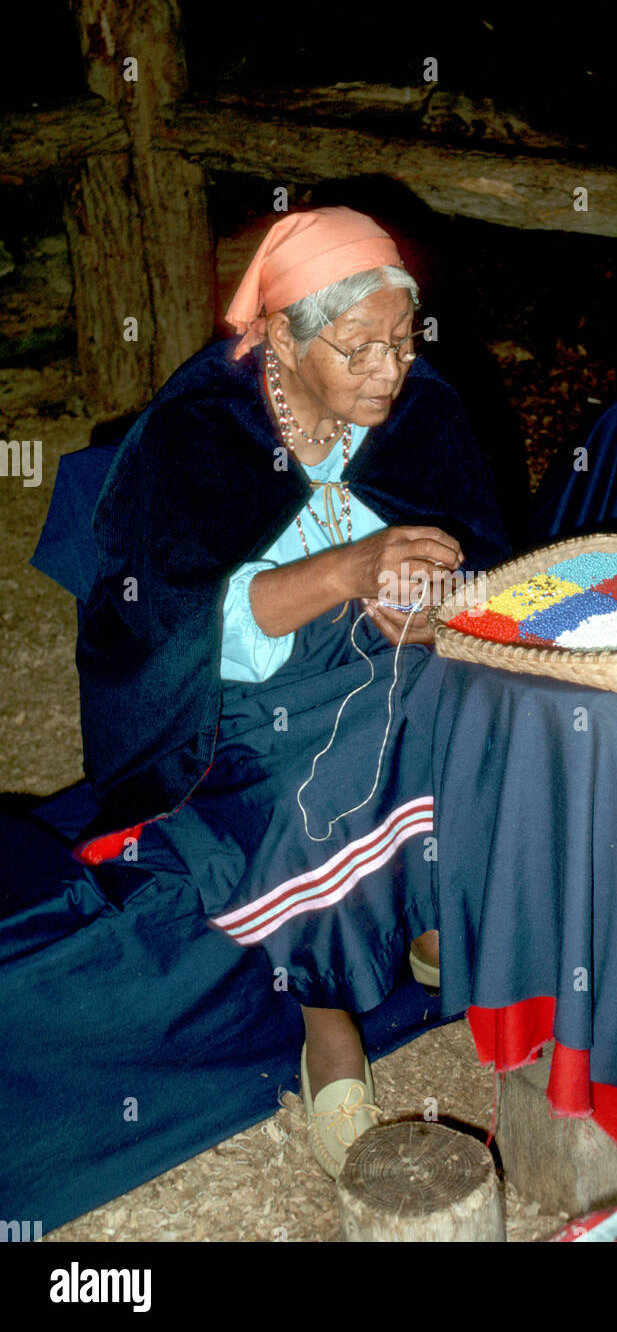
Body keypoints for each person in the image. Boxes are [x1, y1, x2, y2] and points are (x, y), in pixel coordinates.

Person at [75, 207, 514, 1178]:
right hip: (229, 704)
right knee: (309, 770)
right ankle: (328, 1025)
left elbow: (476, 545)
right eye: (359, 349)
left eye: (402, 342)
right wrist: (350, 573)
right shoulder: (196, 434)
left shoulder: (418, 404)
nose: (389, 371)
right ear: (281, 334)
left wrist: (438, 600)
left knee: (471, 686)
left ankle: (436, 907)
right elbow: (167, 627)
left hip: (372, 659)